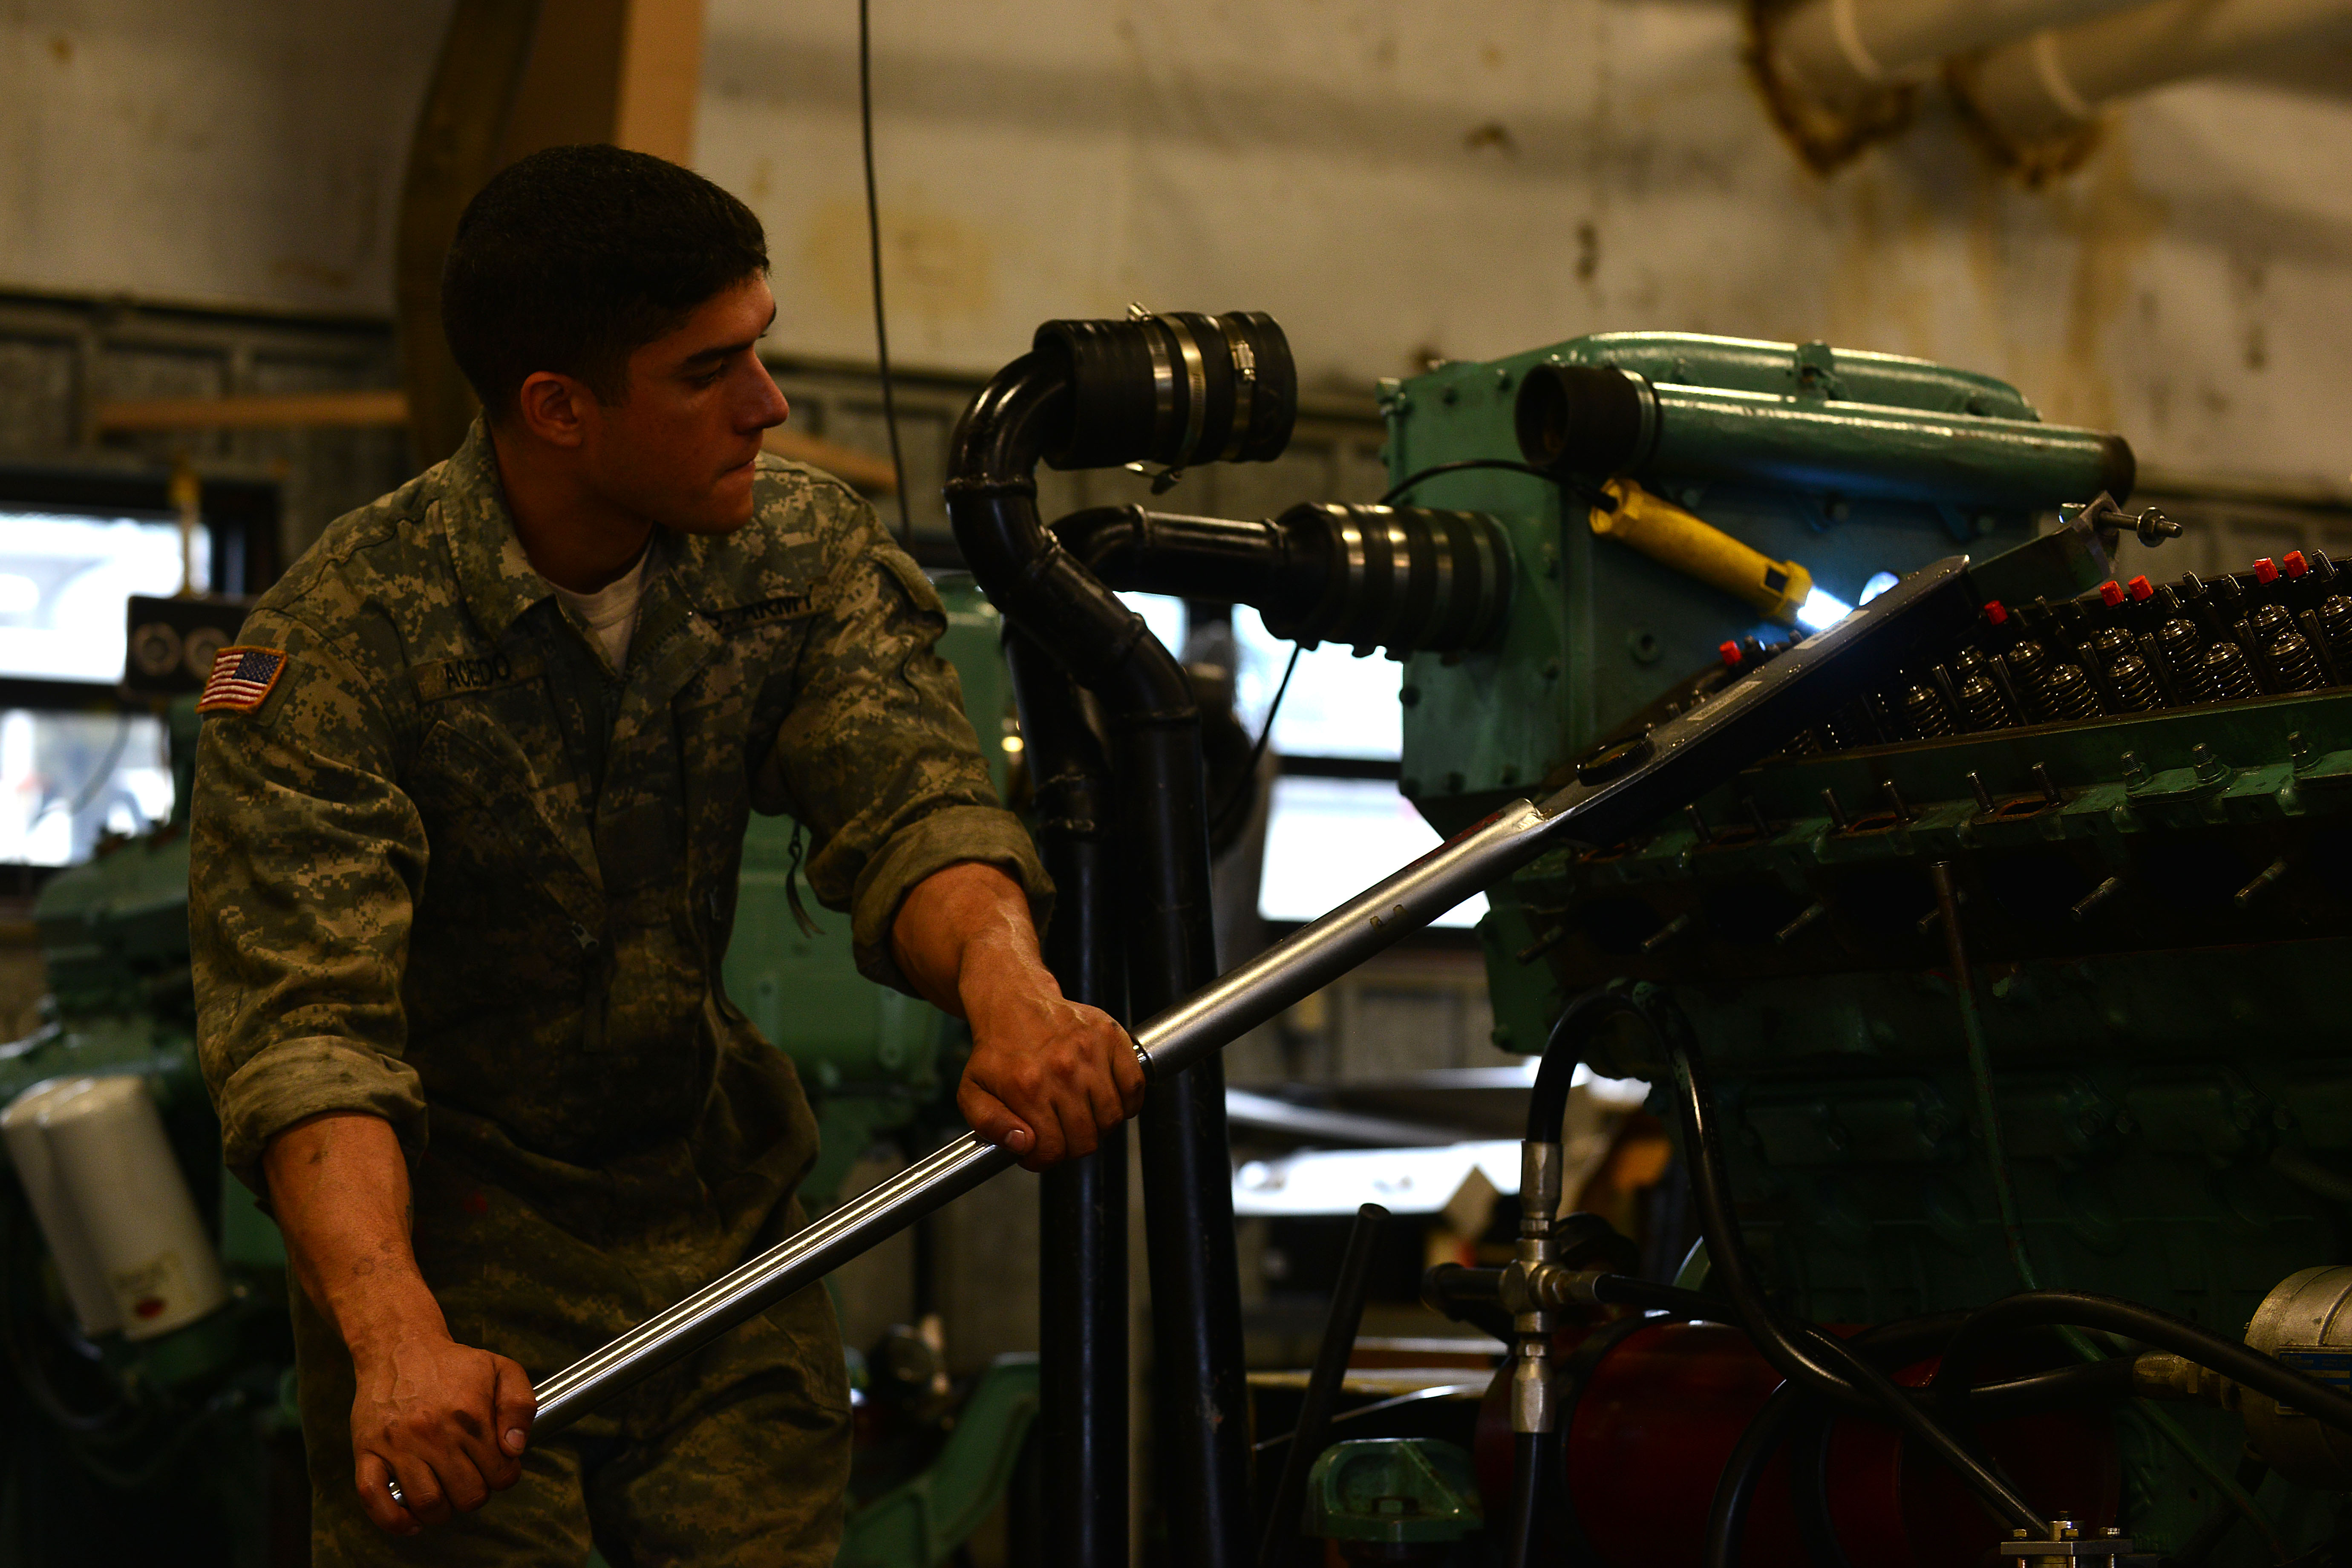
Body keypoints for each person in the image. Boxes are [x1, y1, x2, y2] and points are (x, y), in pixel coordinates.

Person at [189, 144, 1140, 1566]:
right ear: (558, 409)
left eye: (761, 350)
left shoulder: (797, 556)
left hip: (721, 1250)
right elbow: (306, 1037)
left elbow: (913, 804)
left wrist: (1014, 995)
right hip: (455, 1297)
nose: (768, 407)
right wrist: (394, 1342)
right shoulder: (338, 643)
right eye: (709, 374)